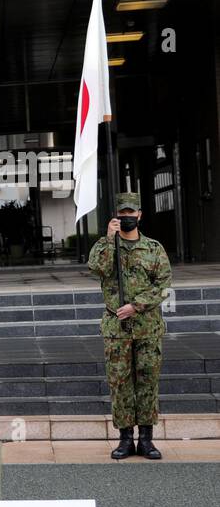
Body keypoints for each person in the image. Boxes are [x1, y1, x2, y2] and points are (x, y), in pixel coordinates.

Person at [87, 192, 172, 460]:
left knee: (147, 382)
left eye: (131, 213)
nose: (127, 218)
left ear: (139, 215)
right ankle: (125, 439)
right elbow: (97, 268)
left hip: (147, 327)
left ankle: (146, 439)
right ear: (116, 216)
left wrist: (136, 305)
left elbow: (163, 285)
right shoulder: (105, 247)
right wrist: (109, 239)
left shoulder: (154, 248)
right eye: (122, 214)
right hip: (117, 328)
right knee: (120, 383)